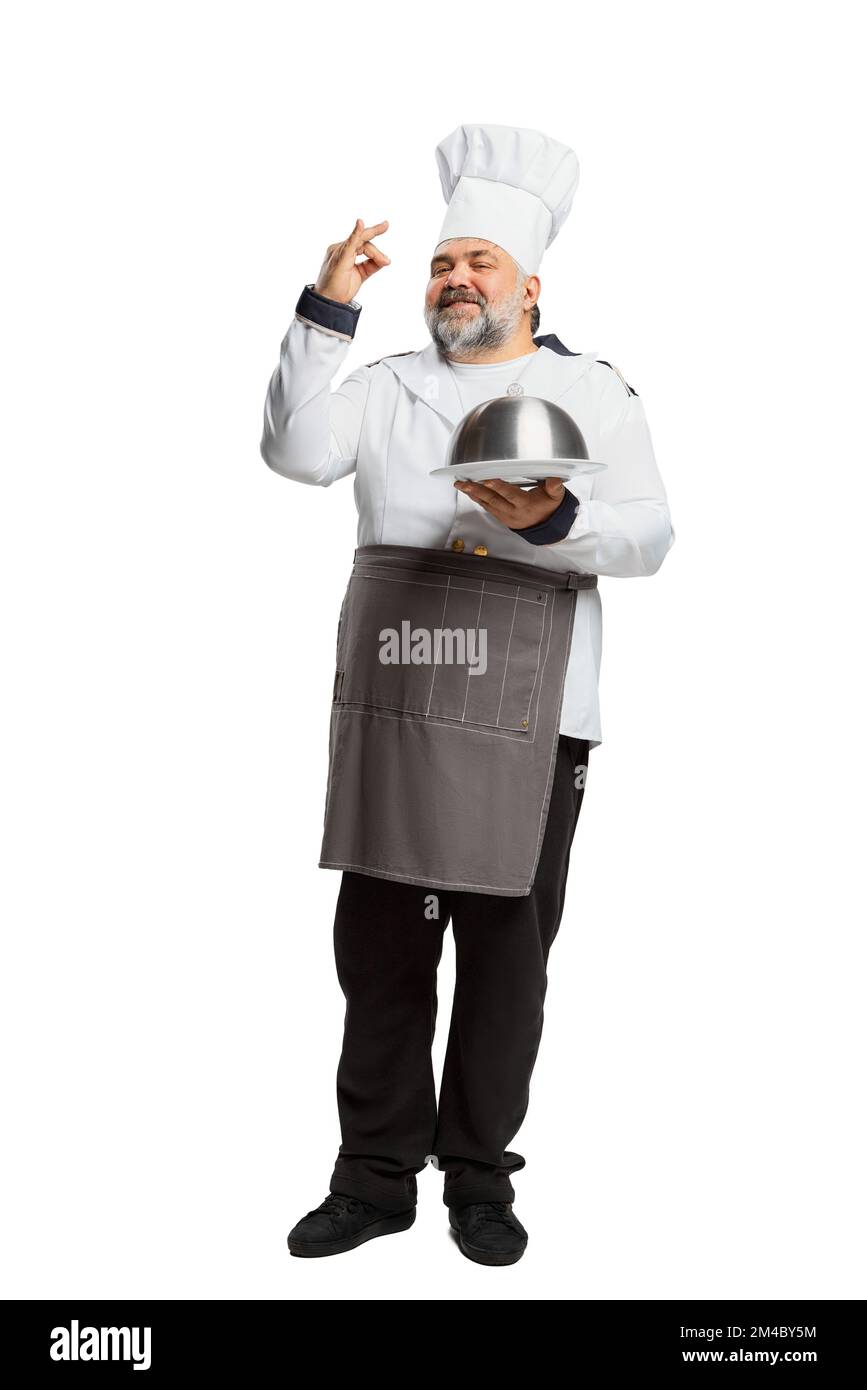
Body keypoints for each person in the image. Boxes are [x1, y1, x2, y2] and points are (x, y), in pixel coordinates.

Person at [260, 124, 675, 1266]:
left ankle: (479, 1180)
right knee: (381, 953)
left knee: (506, 960)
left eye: (478, 264)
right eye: (445, 264)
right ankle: (375, 1176)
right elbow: (294, 451)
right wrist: (324, 312)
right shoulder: (385, 386)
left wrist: (554, 522)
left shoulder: (587, 390)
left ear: (529, 285)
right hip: (401, 704)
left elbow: (651, 535)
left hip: (533, 719)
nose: (454, 279)